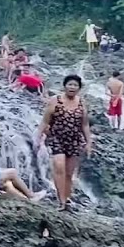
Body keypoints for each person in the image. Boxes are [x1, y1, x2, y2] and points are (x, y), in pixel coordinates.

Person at [36, 74, 92, 211]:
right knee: (59, 167)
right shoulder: (55, 100)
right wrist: (37, 138)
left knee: (69, 173)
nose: (72, 87)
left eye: (75, 85)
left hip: (75, 140)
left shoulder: (81, 102)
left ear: (79, 88)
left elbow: (85, 125)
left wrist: (89, 143)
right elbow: (45, 121)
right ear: (65, 86)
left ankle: (67, 199)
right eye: (70, 84)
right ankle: (61, 200)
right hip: (57, 138)